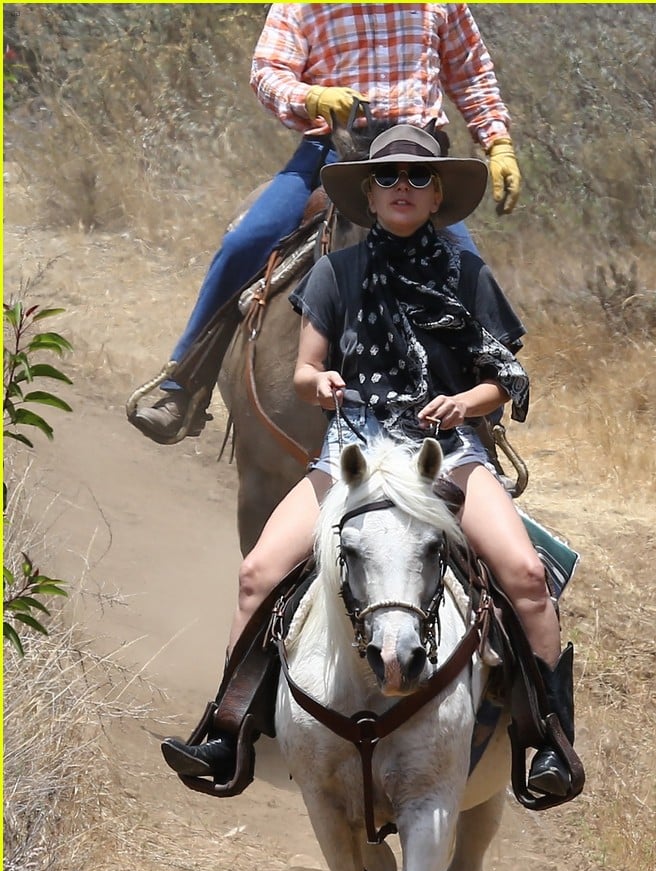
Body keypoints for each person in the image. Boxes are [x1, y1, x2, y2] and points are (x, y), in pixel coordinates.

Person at [161, 125, 579, 800]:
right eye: (388, 178)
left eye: (418, 177)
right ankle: (229, 727)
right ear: (368, 193)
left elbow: (506, 377)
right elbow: (304, 368)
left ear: (439, 192)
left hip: (449, 453)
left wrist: (463, 399)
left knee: (527, 576)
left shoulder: (468, 274)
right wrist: (316, 384)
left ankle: (547, 742)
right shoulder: (333, 273)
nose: (402, 189)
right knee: (258, 573)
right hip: (351, 450)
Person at [129, 2, 522, 444]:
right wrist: (310, 97)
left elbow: (471, 71)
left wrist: (497, 142)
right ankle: (183, 385)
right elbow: (267, 72)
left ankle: (481, 425)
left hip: (417, 160)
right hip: (333, 153)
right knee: (246, 243)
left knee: (467, 269)